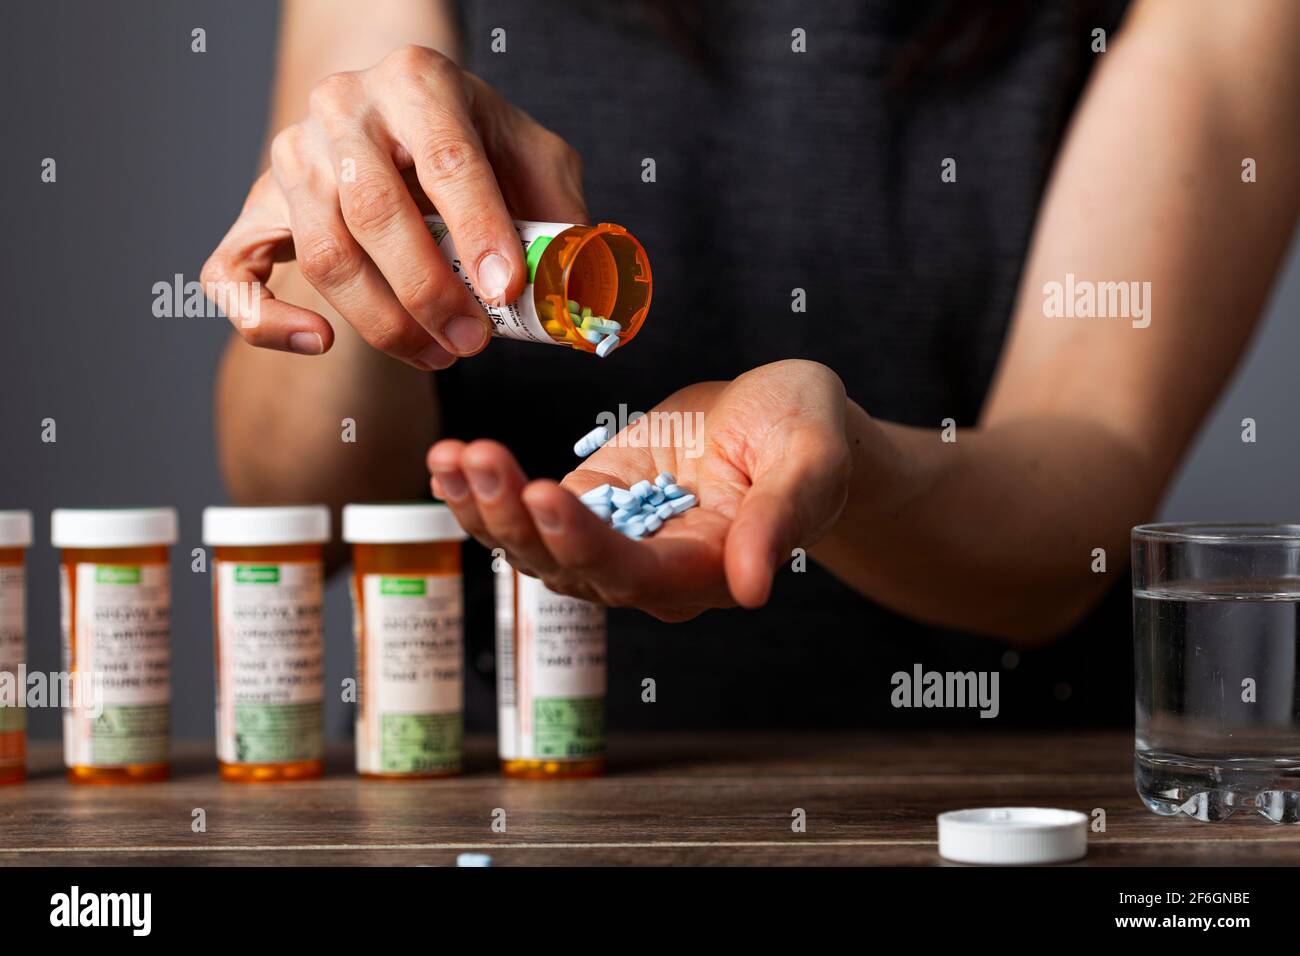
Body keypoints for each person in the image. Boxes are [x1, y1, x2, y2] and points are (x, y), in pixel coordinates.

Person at [204, 0, 1300, 730]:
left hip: (984, 788)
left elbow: (1082, 491)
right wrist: (352, 239)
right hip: (507, 777)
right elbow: (301, 492)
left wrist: (848, 464)